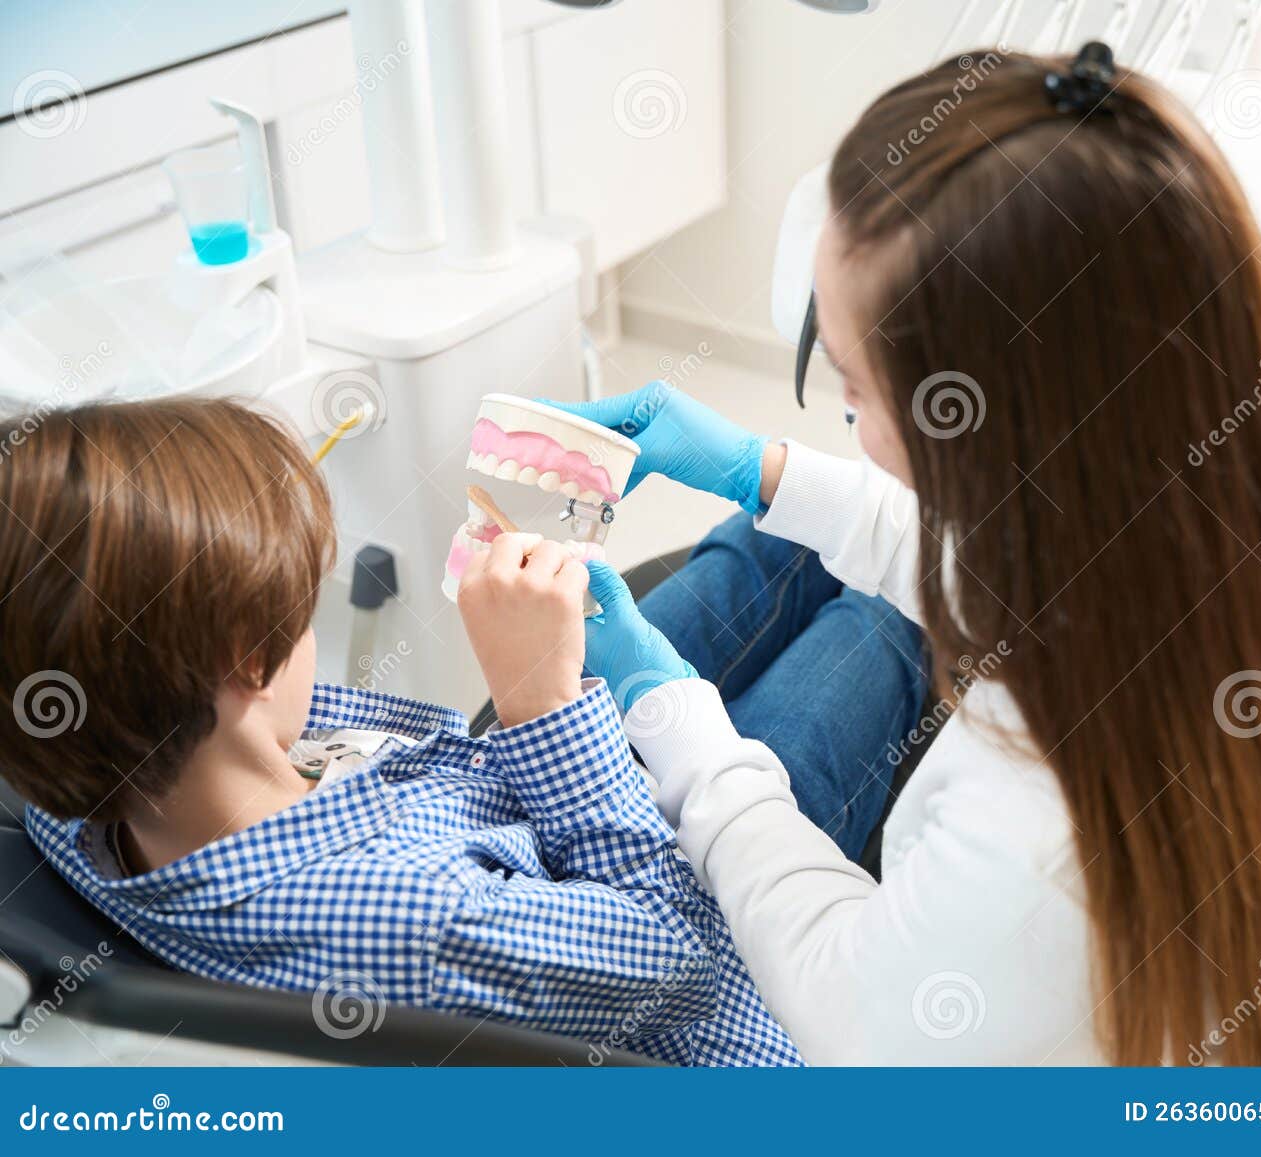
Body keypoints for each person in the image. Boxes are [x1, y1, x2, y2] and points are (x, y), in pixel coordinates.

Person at [562, 45, 1261, 1065]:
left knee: (809, 599)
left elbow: (849, 1007)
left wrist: (677, 722)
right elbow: (1036, 573)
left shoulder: (1037, 839)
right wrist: (761, 473)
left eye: (854, 393)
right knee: (775, 549)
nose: (844, 418)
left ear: (986, 427)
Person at [0, 397, 801, 1066]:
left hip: (529, 801)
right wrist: (543, 704)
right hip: (728, 961)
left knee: (764, 555)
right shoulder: (421, 917)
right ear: (244, 659)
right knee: (852, 605)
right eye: (300, 613)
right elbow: (686, 957)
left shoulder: (83, 773)